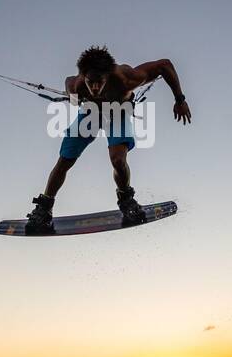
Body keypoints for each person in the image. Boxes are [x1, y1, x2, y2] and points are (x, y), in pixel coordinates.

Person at [24, 46, 190, 234]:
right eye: (90, 82)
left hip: (118, 112)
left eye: (99, 82)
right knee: (64, 161)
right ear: (83, 76)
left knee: (118, 160)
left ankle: (126, 200)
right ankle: (44, 209)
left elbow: (164, 65)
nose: (94, 87)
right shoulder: (76, 85)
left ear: (108, 76)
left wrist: (179, 100)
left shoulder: (126, 79)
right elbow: (68, 81)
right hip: (90, 114)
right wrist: (73, 97)